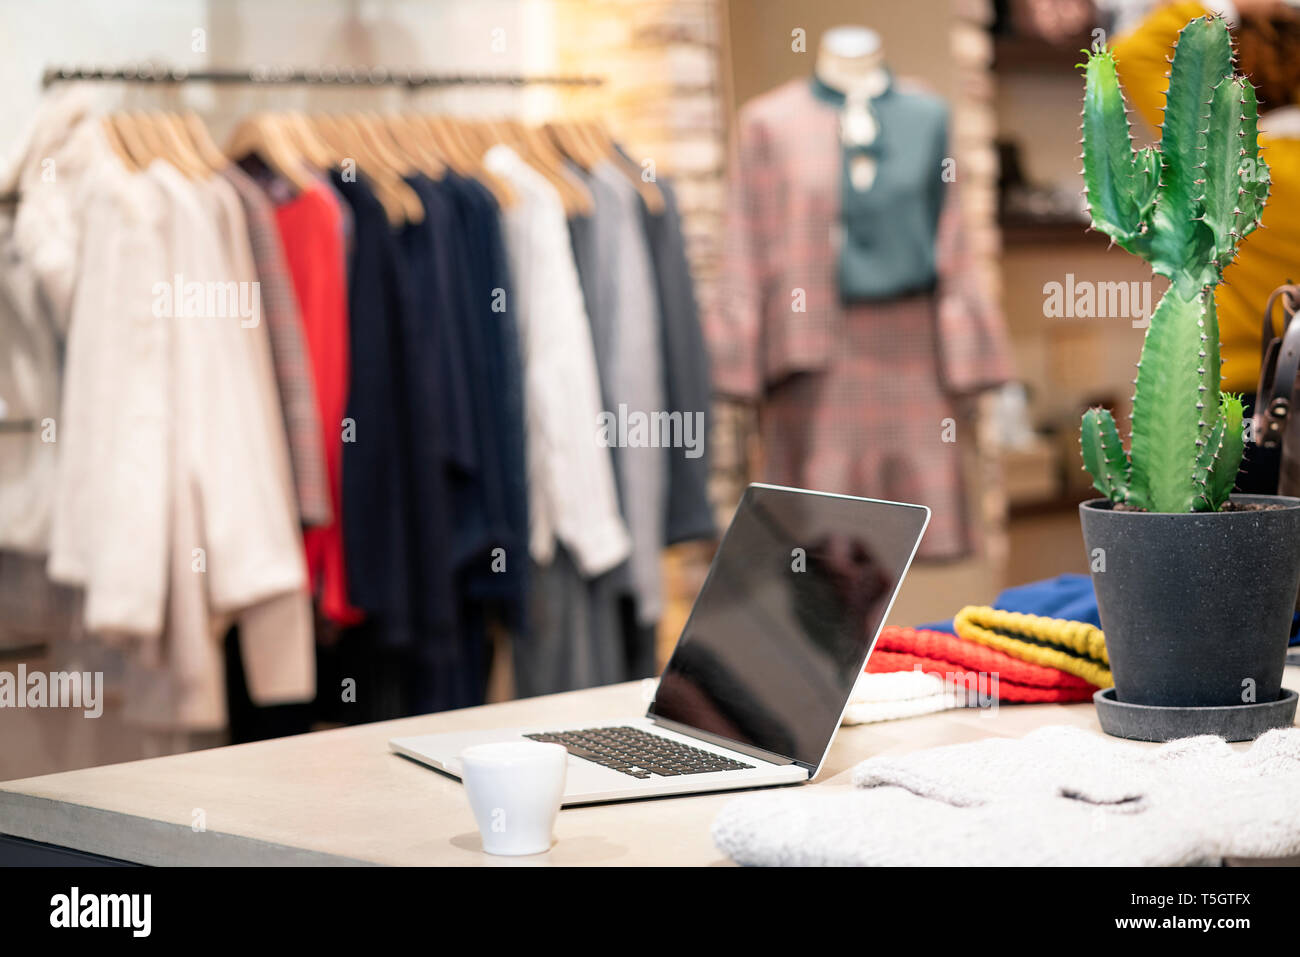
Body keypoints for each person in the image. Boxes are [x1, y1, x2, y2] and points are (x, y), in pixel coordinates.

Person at [1114, 0, 1300, 490]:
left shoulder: (1228, 156)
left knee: (1238, 560)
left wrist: (1226, 6)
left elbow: (1133, 54)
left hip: (1237, 399)